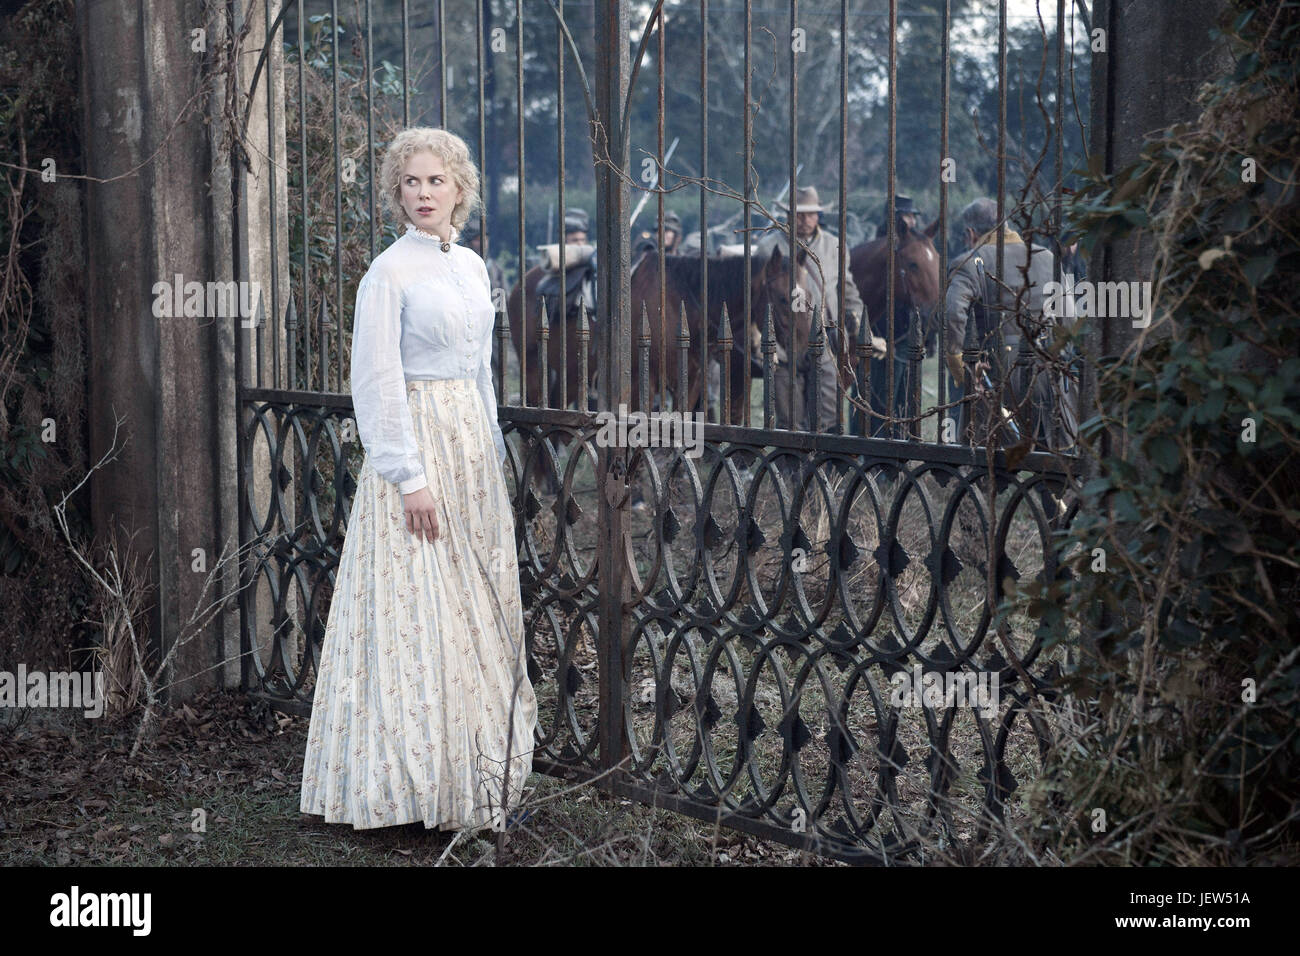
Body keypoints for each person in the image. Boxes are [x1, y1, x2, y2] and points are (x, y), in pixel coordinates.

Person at [300, 126, 537, 833]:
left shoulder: (469, 268)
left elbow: (480, 371)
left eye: (436, 180)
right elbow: (375, 381)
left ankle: (473, 769)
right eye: (410, 182)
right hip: (417, 450)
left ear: (459, 188)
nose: (423, 193)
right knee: (418, 606)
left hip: (470, 451)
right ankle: (404, 788)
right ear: (395, 194)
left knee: (473, 605)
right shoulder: (389, 272)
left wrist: (491, 451)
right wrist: (409, 478)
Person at [943, 197, 1074, 451]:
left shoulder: (971, 261)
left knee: (986, 464)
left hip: (998, 373)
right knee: (1053, 463)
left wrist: (959, 363)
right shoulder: (1046, 257)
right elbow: (1068, 318)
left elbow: (952, 313)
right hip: (1046, 369)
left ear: (971, 233)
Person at [757, 185, 865, 433]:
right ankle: (790, 471)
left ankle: (823, 469)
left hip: (823, 340)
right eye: (798, 213)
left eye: (810, 214)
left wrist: (856, 325)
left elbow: (847, 290)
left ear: (818, 215)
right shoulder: (767, 248)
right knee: (788, 422)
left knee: (826, 417)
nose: (804, 219)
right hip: (783, 345)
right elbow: (757, 298)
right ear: (788, 215)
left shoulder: (835, 246)